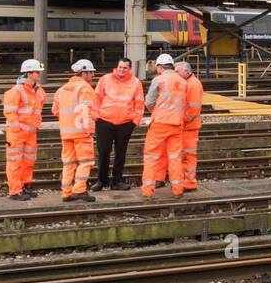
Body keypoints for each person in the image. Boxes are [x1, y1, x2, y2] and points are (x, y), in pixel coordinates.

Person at [90, 58, 144, 191]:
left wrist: (135, 120)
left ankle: (117, 181)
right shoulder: (105, 79)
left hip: (125, 123)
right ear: (117, 66)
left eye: (125, 68)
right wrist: (95, 115)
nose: (121, 70)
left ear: (129, 69)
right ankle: (102, 181)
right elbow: (97, 97)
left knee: (121, 152)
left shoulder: (136, 83)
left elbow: (139, 102)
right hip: (104, 121)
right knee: (103, 151)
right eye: (120, 67)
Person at [52, 58, 98, 203]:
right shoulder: (85, 89)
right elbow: (86, 111)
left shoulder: (62, 89)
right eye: (91, 72)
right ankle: (79, 190)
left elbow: (55, 110)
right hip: (81, 132)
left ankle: (66, 192)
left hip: (66, 133)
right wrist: (89, 130)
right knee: (86, 162)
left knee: (68, 163)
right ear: (83, 73)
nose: (92, 75)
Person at [142, 53, 186, 198]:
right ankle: (178, 189)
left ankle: (147, 191)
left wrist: (156, 111)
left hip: (160, 124)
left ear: (160, 67)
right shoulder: (183, 82)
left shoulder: (159, 80)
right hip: (177, 124)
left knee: (151, 157)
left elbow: (148, 102)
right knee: (175, 157)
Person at [3, 58, 46, 202]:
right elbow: (10, 112)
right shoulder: (16, 91)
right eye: (36, 72)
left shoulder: (39, 91)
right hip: (17, 133)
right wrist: (17, 130)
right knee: (15, 162)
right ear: (28, 73)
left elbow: (37, 111)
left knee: (28, 162)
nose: (39, 74)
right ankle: (15, 191)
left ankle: (25, 186)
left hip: (31, 133)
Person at [175, 60, 204, 192]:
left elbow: (192, 110)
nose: (175, 74)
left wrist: (179, 121)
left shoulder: (193, 84)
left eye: (177, 71)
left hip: (189, 127)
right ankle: (185, 181)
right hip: (186, 126)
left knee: (188, 156)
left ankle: (190, 182)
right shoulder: (188, 83)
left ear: (186, 72)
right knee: (184, 156)